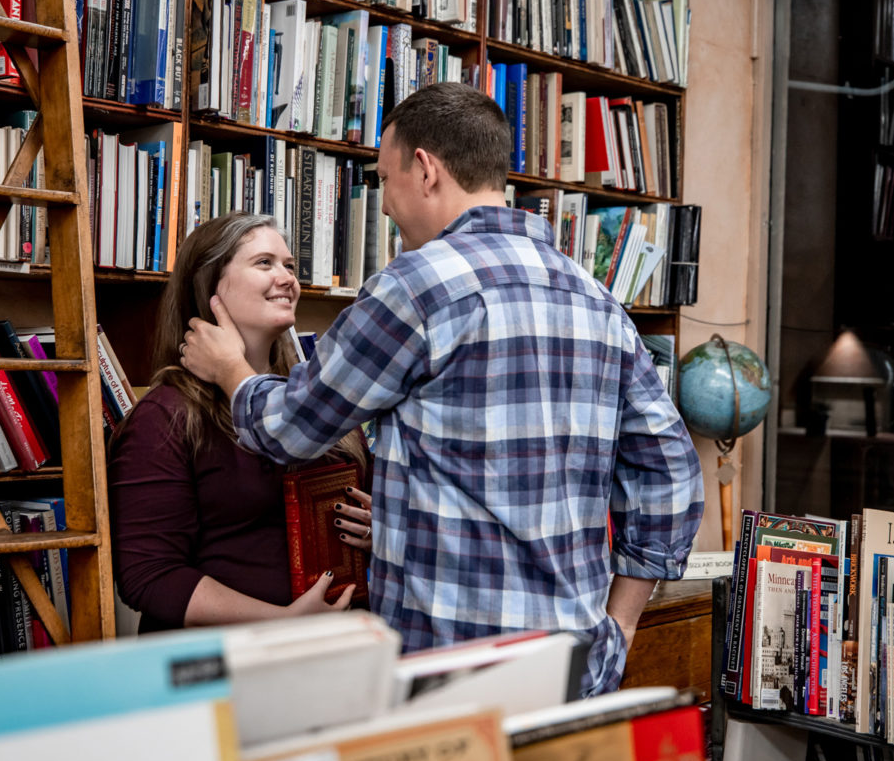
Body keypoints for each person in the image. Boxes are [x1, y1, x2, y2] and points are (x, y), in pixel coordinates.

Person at [180, 82, 704, 694]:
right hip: (574, 666)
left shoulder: (416, 286)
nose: (382, 206)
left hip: (451, 671)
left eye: (382, 180)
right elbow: (670, 476)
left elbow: (289, 430)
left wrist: (231, 371)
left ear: (424, 169)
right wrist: (619, 628)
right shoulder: (595, 298)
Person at [108, 212, 373, 631]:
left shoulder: (319, 401)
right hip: (224, 666)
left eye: (289, 266)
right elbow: (149, 576)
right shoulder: (164, 418)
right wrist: (283, 621)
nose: (287, 278)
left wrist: (382, 532)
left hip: (338, 649)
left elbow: (372, 509)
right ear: (209, 284)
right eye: (264, 263)